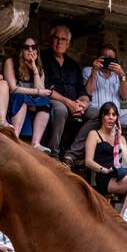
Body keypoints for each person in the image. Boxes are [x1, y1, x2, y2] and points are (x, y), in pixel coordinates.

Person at [71, 43, 127, 160]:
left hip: (116, 112)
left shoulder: (117, 75)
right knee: (99, 114)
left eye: (112, 59)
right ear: (98, 57)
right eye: (105, 58)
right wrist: (95, 71)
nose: (108, 62)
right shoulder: (88, 70)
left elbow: (124, 96)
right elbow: (88, 92)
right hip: (96, 109)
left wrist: (122, 75)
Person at [43, 23, 90, 158]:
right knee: (61, 109)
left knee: (99, 113)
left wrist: (82, 104)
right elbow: (47, 88)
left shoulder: (73, 65)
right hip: (52, 100)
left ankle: (72, 153)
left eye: (63, 39)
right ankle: (54, 153)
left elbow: (82, 91)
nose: (59, 42)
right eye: (56, 38)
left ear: (68, 43)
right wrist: (69, 103)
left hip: (74, 104)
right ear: (51, 39)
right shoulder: (43, 58)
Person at [5, 36, 53, 150]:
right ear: (21, 50)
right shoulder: (11, 62)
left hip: (32, 102)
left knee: (46, 102)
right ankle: (14, 138)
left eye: (33, 47)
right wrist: (37, 91)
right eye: (26, 47)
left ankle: (36, 143)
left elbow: (41, 93)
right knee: (21, 97)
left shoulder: (38, 67)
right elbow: (13, 88)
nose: (30, 50)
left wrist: (35, 70)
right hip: (14, 100)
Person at [83, 102, 127, 200]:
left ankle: (124, 213)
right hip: (104, 176)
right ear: (102, 116)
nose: (111, 117)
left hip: (120, 174)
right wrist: (104, 170)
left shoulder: (120, 138)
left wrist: (120, 139)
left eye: (114, 115)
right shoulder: (94, 134)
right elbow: (88, 161)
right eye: (107, 114)